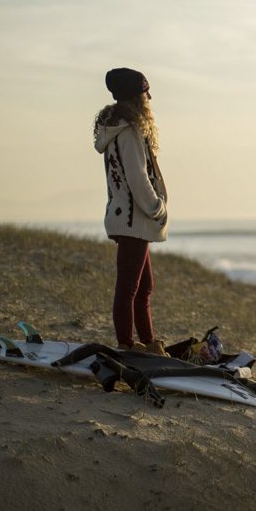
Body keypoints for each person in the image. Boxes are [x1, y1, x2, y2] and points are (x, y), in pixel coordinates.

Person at [93, 68, 169, 354]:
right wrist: (156, 208)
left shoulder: (118, 128)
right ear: (135, 98)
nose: (149, 97)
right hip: (133, 217)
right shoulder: (129, 130)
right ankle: (126, 345)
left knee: (143, 286)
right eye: (144, 92)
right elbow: (137, 177)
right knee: (129, 288)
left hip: (125, 215)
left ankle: (148, 343)